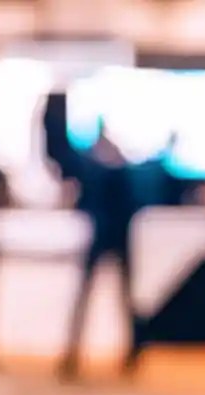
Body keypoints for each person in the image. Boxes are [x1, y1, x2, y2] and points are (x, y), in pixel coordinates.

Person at [59, 125, 141, 381]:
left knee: (122, 299)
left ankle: (130, 352)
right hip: (111, 238)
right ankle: (75, 356)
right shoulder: (110, 168)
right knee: (119, 299)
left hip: (108, 238)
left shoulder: (96, 167)